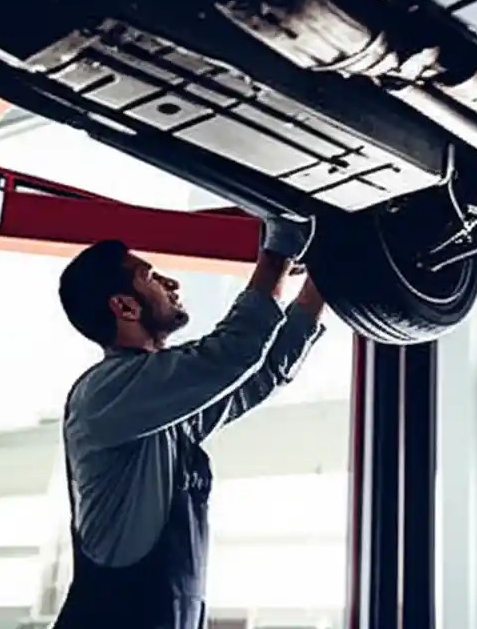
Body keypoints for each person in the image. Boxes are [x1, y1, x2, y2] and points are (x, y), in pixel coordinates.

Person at [52, 216, 325, 628]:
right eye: (152, 277)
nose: (172, 284)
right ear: (124, 306)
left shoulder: (163, 418)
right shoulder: (102, 395)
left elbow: (260, 373)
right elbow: (232, 353)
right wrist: (278, 247)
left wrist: (326, 282)